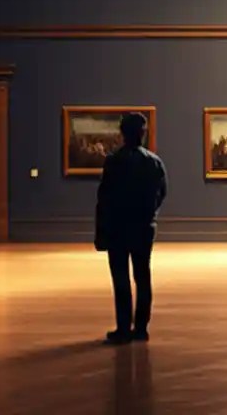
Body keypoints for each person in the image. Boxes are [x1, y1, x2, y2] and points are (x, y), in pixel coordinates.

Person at [95, 112, 167, 345]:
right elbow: (162, 193)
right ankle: (141, 328)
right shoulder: (153, 162)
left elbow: (104, 199)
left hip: (117, 228)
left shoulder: (114, 161)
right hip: (143, 228)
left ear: (122, 133)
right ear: (142, 133)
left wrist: (101, 232)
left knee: (121, 278)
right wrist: (148, 214)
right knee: (142, 277)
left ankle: (124, 328)